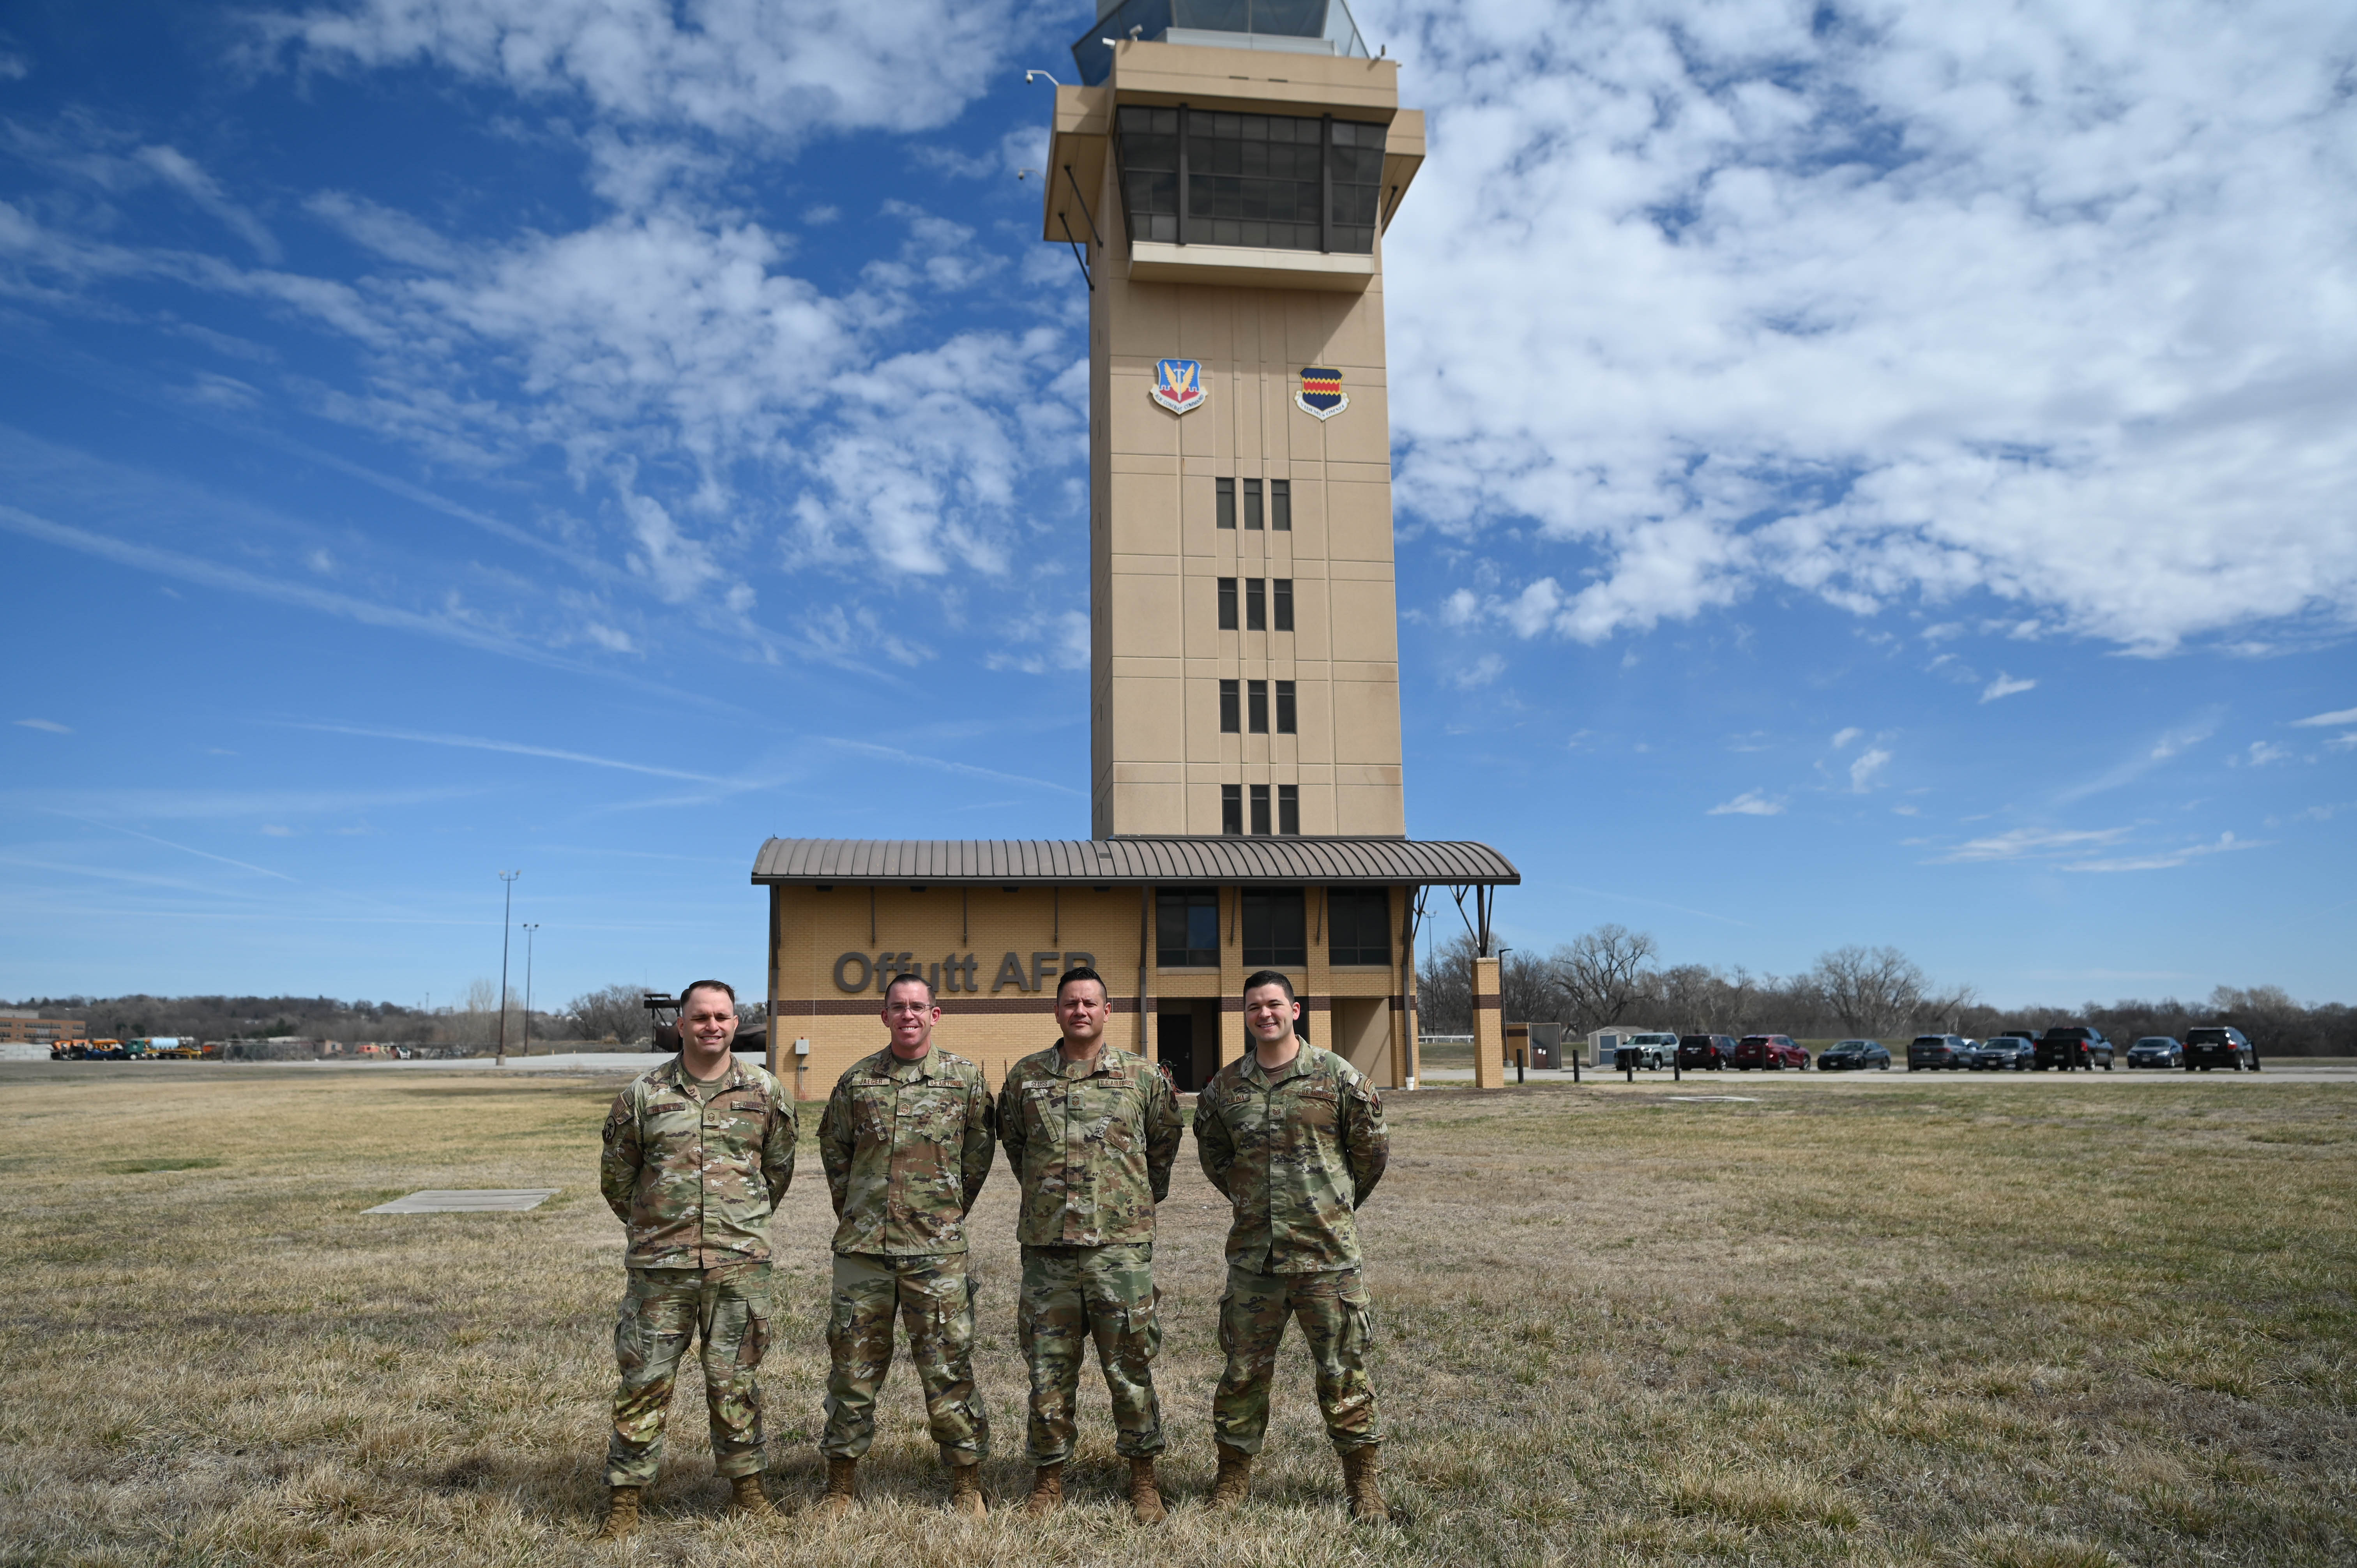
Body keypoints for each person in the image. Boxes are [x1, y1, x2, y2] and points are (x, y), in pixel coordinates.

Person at [594, 980, 795, 1539]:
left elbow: (775, 1173)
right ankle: (625, 1503)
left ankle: (747, 1491)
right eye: (700, 1017)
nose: (712, 1025)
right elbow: (618, 1178)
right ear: (680, 1025)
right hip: (662, 1270)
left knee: (736, 1382)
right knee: (644, 1381)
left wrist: (736, 1228)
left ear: (736, 1024)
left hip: (738, 1266)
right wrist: (659, 1229)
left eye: (722, 1017)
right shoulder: (644, 1094)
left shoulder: (765, 1092)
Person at [1193, 968, 1392, 1521]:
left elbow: (1370, 1155)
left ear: (1295, 1010)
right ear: (1247, 1015)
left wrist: (1334, 1204)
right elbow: (1215, 1156)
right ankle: (1231, 1483)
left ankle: (1364, 1489)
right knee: (1242, 1376)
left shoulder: (1337, 1078)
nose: (1265, 1014)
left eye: (1275, 1004)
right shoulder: (1224, 1089)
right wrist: (1251, 1200)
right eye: (1255, 1006)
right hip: (1255, 1261)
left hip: (1326, 1258)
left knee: (1344, 1373)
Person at [997, 965, 1182, 1522]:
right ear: (1056, 1012)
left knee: (1131, 1367)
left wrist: (1128, 1204)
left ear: (1109, 1012)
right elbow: (1015, 1145)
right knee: (1048, 1372)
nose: (1080, 1011)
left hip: (1118, 1252)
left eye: (1090, 1003)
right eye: (1070, 1003)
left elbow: (1163, 1149)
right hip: (1049, 1254)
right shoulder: (1026, 1078)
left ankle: (1144, 1480)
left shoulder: (1144, 1077)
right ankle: (1048, 1480)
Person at [814, 971, 997, 1516]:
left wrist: (942, 1212)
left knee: (947, 1365)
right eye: (899, 1007)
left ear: (935, 1015)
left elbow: (977, 1158)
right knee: (851, 1369)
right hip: (863, 1254)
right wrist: (861, 1213)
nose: (909, 1016)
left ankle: (966, 1483)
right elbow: (835, 1154)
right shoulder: (857, 1081)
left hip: (935, 1252)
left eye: (919, 1007)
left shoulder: (964, 1081)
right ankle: (840, 1485)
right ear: (885, 1016)